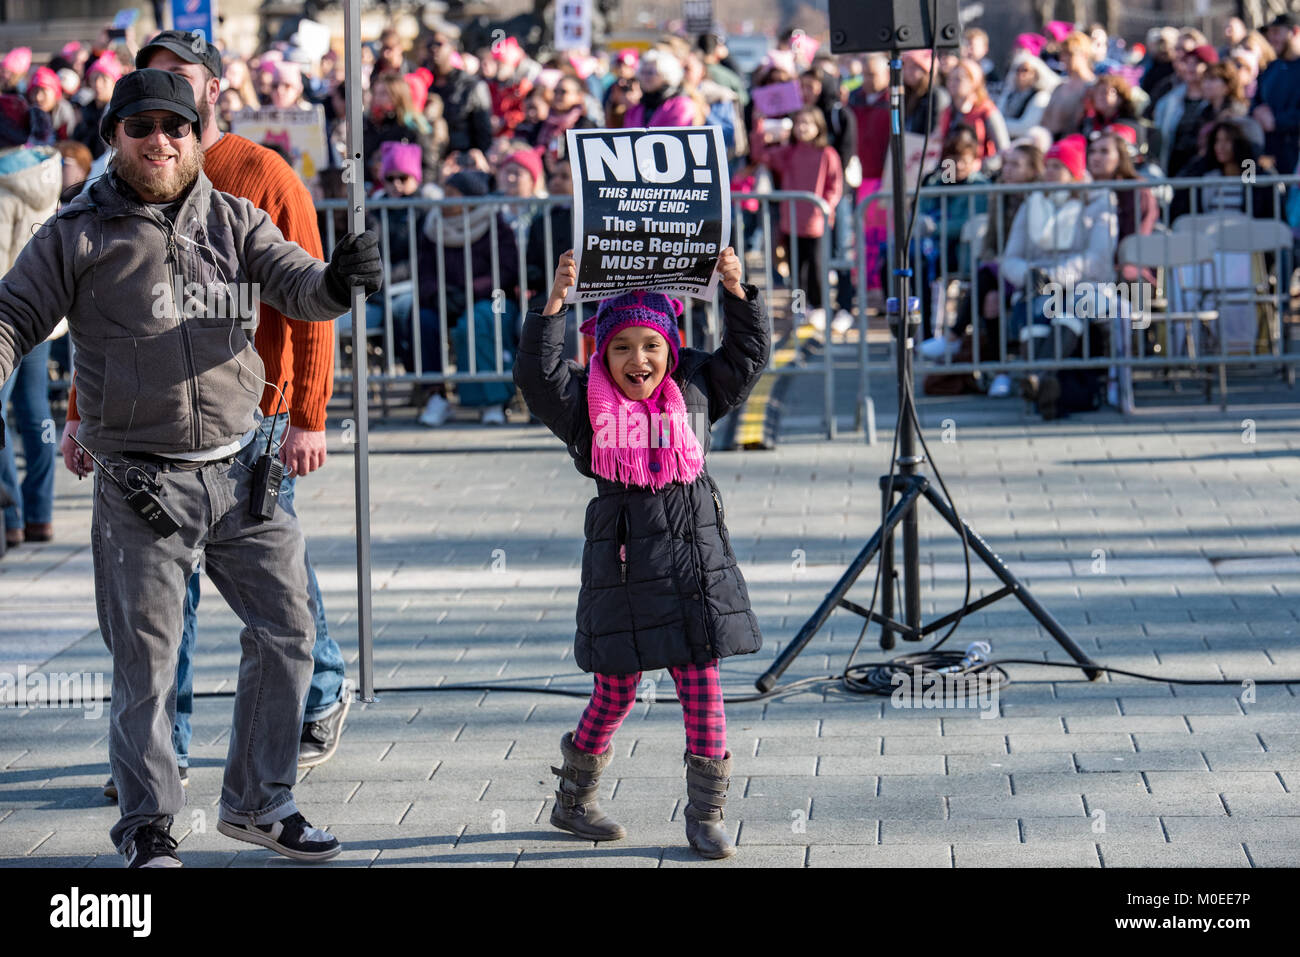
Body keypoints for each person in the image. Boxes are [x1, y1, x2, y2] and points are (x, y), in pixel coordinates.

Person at [0, 68, 383, 867]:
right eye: (141, 127)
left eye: (175, 127)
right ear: (115, 138)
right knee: (147, 662)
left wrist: (339, 281)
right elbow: (12, 315)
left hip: (246, 472)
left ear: (195, 135)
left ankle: (259, 801)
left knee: (290, 633)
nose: (161, 141)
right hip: (141, 485)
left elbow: (300, 288)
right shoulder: (76, 234)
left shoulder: (236, 219)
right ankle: (148, 826)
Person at [63, 33, 355, 800]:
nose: (161, 109)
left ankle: (323, 691)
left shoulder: (261, 177)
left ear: (212, 94)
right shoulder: (119, 184)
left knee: (279, 586)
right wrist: (77, 413)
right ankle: (170, 750)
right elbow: (100, 314)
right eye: (148, 87)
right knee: (165, 605)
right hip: (146, 440)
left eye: (179, 87)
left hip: (251, 419)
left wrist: (309, 415)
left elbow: (311, 296)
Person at [514, 246, 768, 859]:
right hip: (623, 568)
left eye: (651, 345)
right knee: (616, 690)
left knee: (701, 683)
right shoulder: (584, 405)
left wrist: (736, 292)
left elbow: (748, 357)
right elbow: (537, 378)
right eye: (622, 346)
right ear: (602, 352)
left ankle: (706, 814)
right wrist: (553, 304)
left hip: (694, 564)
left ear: (671, 350)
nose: (638, 359)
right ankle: (575, 798)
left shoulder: (696, 388)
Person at [0, 95, 60, 549]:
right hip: (41, 312)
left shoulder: (5, 186)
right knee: (35, 409)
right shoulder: (47, 171)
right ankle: (40, 512)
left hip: (6, 316)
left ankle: (13, 515)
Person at [749, 105, 844, 332]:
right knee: (795, 269)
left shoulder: (827, 153)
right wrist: (758, 128)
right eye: (799, 123)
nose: (802, 128)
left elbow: (835, 185)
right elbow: (761, 155)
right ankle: (800, 308)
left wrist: (825, 207)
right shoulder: (788, 152)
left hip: (815, 222)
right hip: (790, 221)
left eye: (807, 123)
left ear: (818, 127)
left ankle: (820, 308)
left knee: (816, 267)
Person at [426, 28, 492, 154]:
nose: (434, 49)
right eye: (430, 45)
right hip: (430, 157)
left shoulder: (472, 85)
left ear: (452, 48)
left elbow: (484, 134)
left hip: (462, 158)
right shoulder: (423, 84)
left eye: (439, 44)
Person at [1253, 13, 1300, 174]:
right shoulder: (1270, 69)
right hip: (1268, 156)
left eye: (1276, 32)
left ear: (1294, 32)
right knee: (1252, 185)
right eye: (1269, 33)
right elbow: (1255, 103)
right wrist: (1257, 113)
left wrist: (1277, 121)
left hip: (1295, 157)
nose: (1271, 38)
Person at [937, 58, 1009, 161]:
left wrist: (984, 167)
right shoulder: (948, 111)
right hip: (950, 170)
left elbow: (1003, 151)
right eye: (950, 78)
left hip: (979, 172)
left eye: (958, 79)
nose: (952, 83)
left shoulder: (986, 111)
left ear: (973, 82)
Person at [622, 49, 698, 127]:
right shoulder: (636, 108)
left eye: (650, 72)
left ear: (666, 75)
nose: (645, 77)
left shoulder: (680, 105)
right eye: (642, 72)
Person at [997, 52, 1061, 139]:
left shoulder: (1040, 97)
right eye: (1017, 70)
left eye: (1025, 70)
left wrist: (996, 125)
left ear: (1035, 74)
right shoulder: (1009, 94)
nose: (1020, 74)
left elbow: (1025, 127)